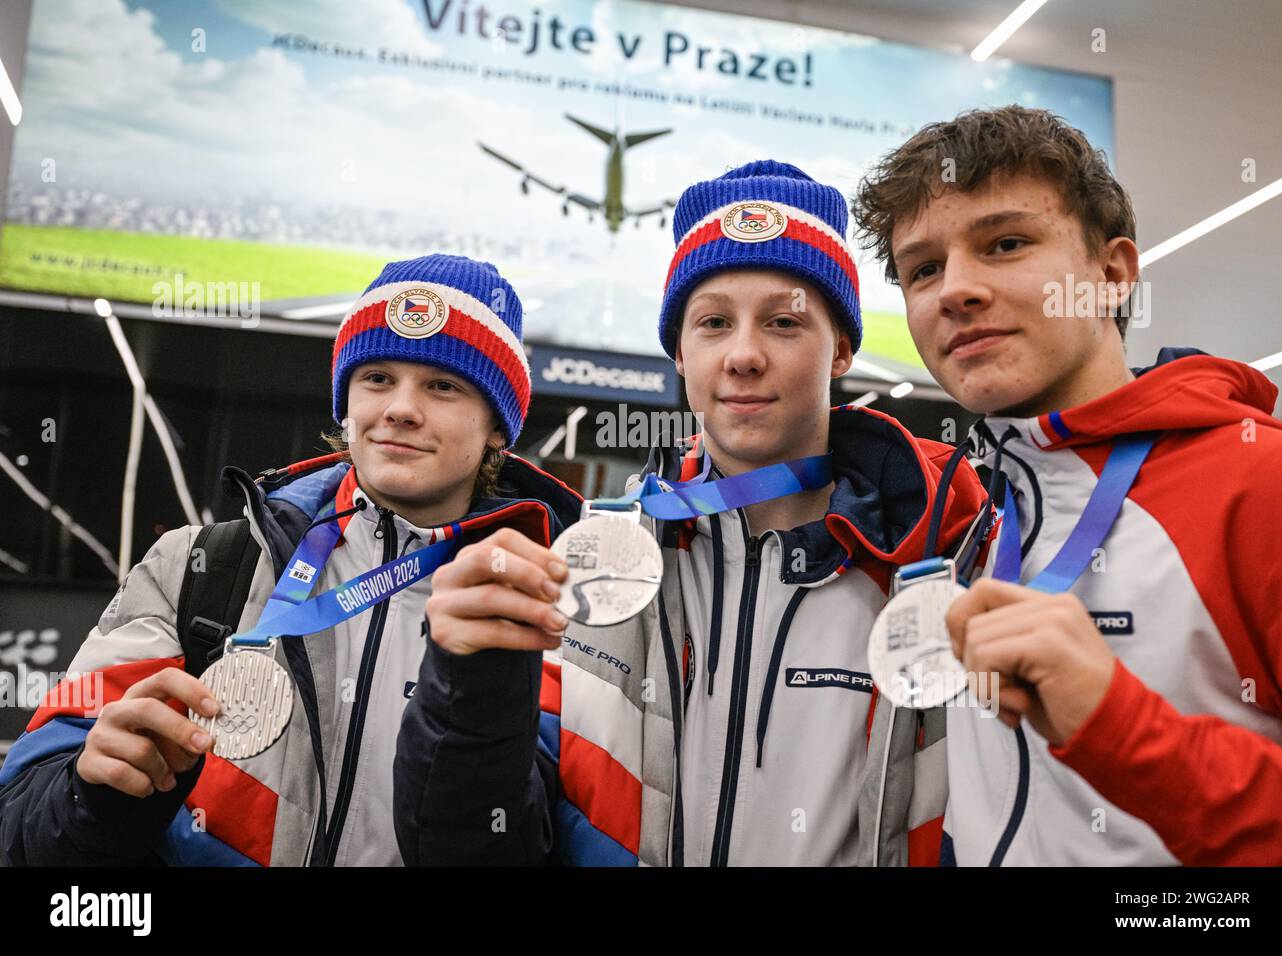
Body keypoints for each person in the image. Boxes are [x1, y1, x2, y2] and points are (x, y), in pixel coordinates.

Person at [394, 161, 986, 866]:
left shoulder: (947, 558)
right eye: (713, 323)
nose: (742, 355)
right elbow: (478, 847)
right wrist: (468, 685)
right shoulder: (594, 564)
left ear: (843, 351)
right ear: (679, 352)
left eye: (784, 322)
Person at [0, 253, 581, 865]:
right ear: (345, 402)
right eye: (377, 378)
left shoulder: (547, 607)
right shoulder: (200, 567)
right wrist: (94, 794)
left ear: (496, 426)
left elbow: (519, 846)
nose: (400, 408)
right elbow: (21, 822)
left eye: (443, 385)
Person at [853, 104, 1282, 865]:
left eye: (1005, 243)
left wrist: (1121, 727)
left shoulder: (1269, 486)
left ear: (1113, 273)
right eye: (923, 268)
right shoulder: (981, 523)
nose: (954, 290)